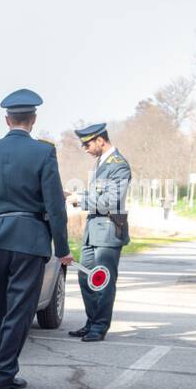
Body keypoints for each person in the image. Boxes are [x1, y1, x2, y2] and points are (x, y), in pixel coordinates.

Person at [0, 89, 72, 389]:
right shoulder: (44, 153)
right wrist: (62, 249)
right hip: (31, 241)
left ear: (6, 119)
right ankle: (4, 373)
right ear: (33, 120)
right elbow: (55, 207)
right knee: (19, 310)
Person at [69, 123, 131, 342]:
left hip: (108, 230)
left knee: (102, 280)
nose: (85, 148)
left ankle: (100, 326)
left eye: (87, 144)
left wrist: (81, 199)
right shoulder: (101, 163)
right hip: (93, 229)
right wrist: (77, 195)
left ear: (100, 141)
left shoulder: (119, 165)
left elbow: (111, 201)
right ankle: (92, 321)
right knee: (85, 277)